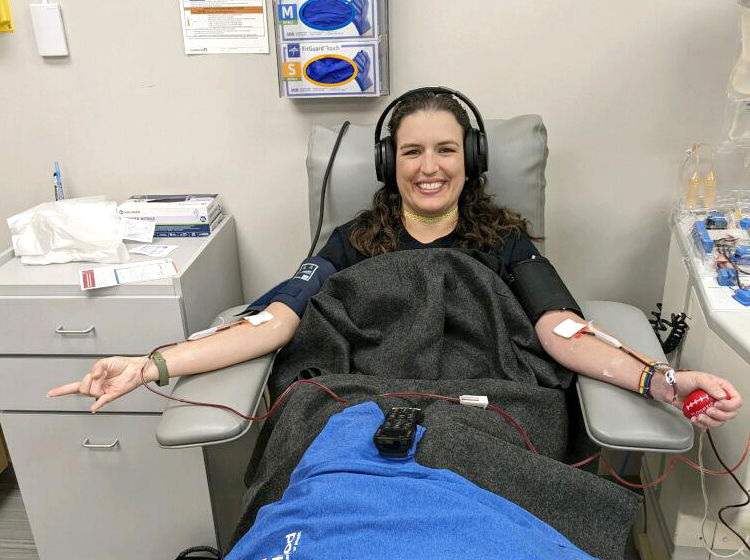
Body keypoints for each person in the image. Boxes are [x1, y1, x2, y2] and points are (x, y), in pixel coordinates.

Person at [48, 89, 743, 430]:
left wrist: (660, 382)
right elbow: (277, 322)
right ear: (389, 163)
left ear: (470, 161)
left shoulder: (505, 241)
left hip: (485, 415)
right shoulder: (352, 242)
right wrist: (151, 363)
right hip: (366, 414)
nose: (429, 167)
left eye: (446, 150)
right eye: (412, 151)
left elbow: (564, 331)